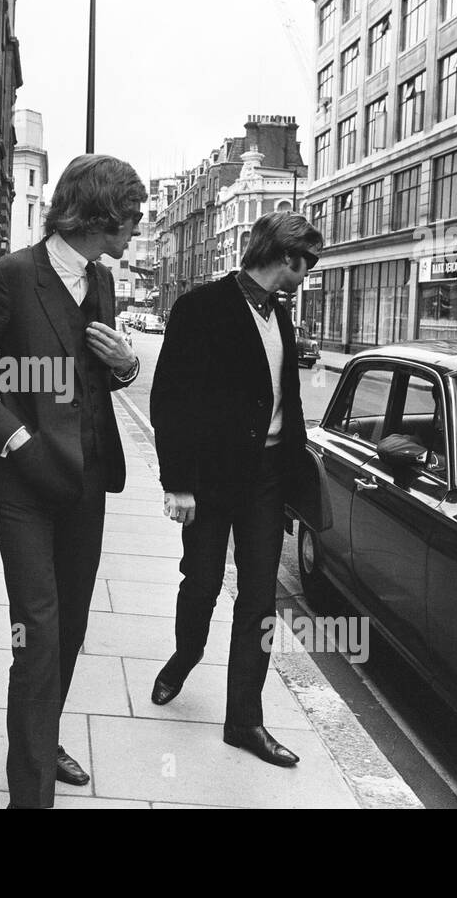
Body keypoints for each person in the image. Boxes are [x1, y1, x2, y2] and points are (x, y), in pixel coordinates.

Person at [0, 154, 145, 808]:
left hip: (87, 484)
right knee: (38, 633)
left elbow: (97, 374)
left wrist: (128, 365)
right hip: (26, 487)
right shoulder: (10, 277)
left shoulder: (101, 281)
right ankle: (30, 792)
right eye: (131, 217)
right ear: (103, 214)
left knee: (71, 629)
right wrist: (15, 436)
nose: (135, 229)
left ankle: (41, 735)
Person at [149, 211, 323, 768]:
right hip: (209, 479)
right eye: (306, 264)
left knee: (259, 601)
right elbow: (170, 401)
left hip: (266, 478)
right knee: (200, 583)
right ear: (285, 257)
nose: (307, 275)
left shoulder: (281, 315)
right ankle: (185, 655)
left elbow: (284, 398)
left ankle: (244, 720)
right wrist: (178, 483)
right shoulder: (201, 307)